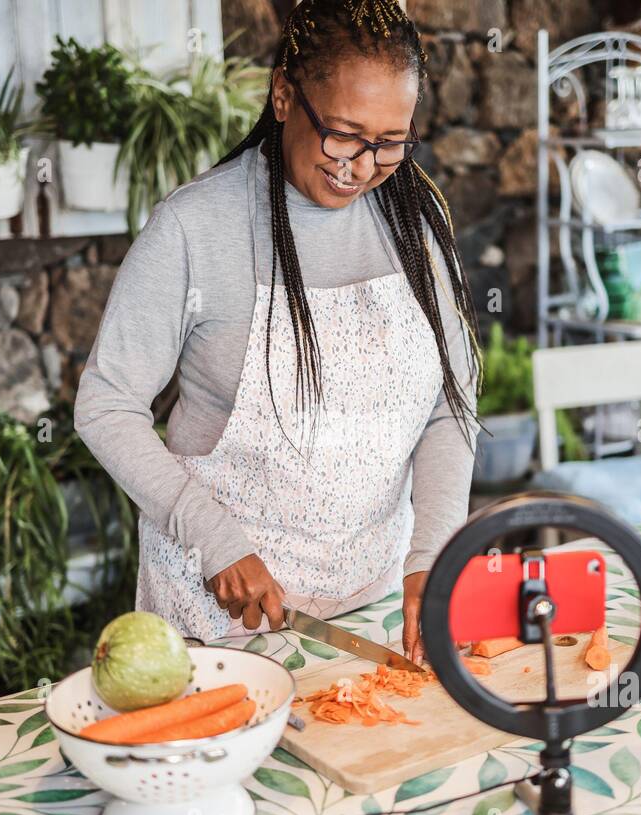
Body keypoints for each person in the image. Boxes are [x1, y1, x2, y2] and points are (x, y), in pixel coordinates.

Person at [74, 0, 481, 664]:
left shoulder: (416, 214)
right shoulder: (196, 226)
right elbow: (106, 403)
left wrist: (431, 559)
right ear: (286, 96)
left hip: (373, 606)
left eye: (389, 142)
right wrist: (214, 540)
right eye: (344, 133)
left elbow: (449, 402)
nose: (362, 164)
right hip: (222, 623)